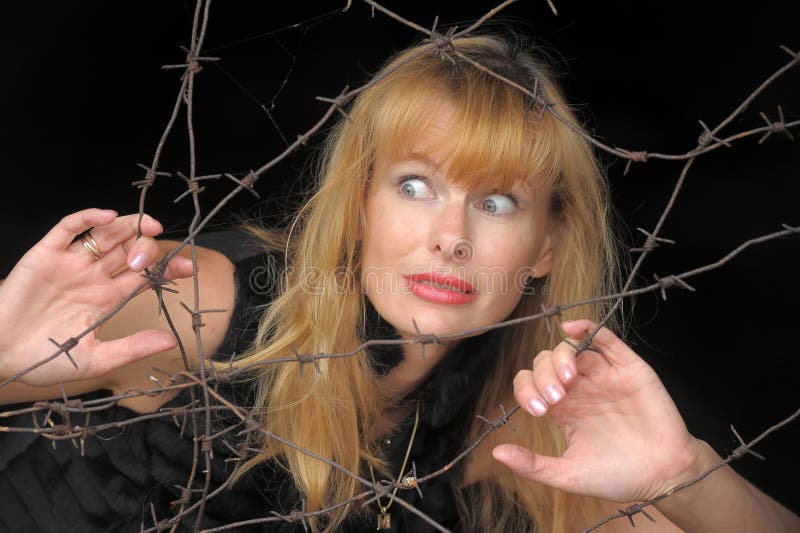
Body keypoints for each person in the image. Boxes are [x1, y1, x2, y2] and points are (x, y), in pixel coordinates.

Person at [0, 33, 797, 533]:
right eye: (415, 185)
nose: (451, 237)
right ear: (359, 204)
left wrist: (684, 477)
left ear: (545, 246)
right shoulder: (205, 296)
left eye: (495, 200)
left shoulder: (513, 423)